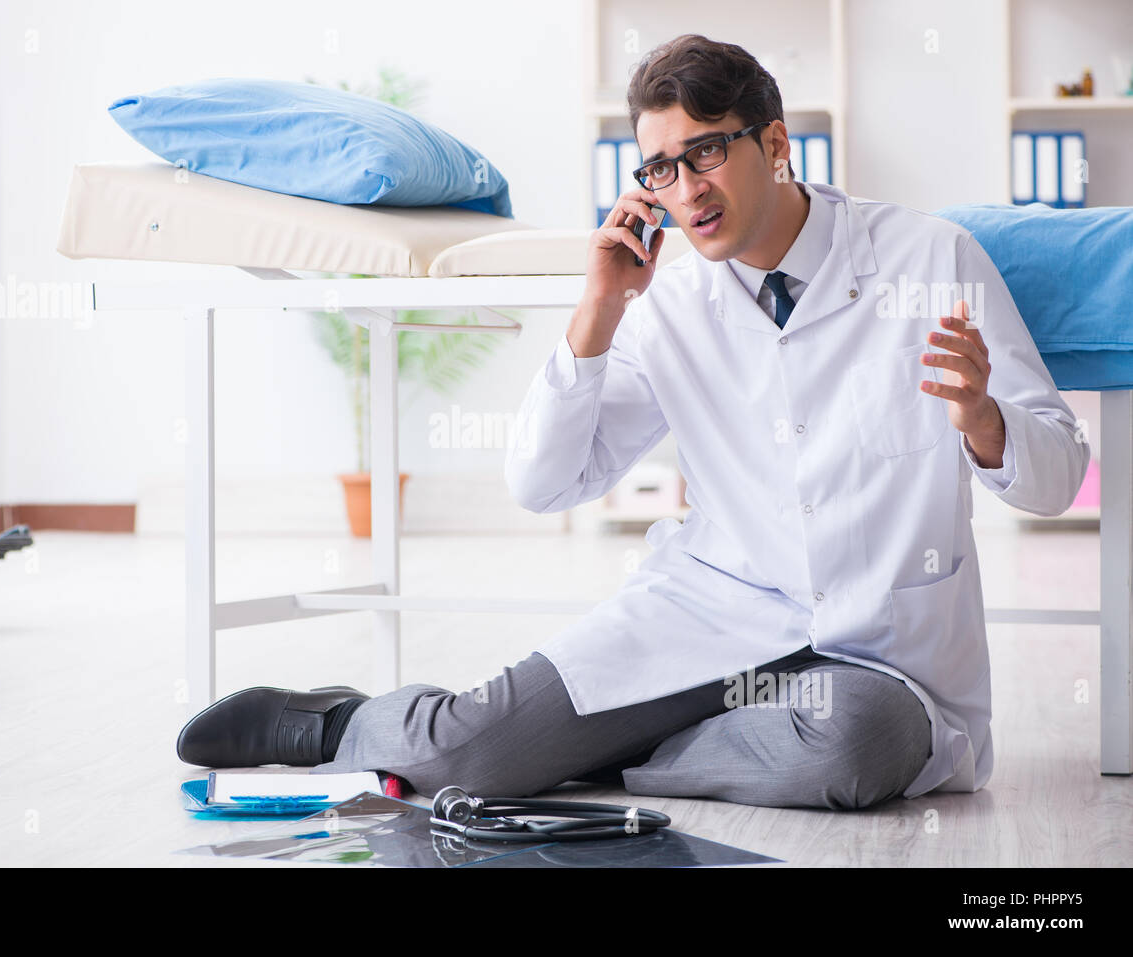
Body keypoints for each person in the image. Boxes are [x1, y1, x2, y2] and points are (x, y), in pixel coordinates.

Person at [175, 34, 1089, 810]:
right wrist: (597, 317)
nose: (686, 186)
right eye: (661, 165)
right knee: (470, 756)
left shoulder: (932, 259)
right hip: (713, 625)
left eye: (707, 151)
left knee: (858, 744)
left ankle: (589, 754)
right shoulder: (664, 296)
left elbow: (1055, 474)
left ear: (775, 144)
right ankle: (338, 722)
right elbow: (543, 484)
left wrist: (982, 418)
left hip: (873, 663)